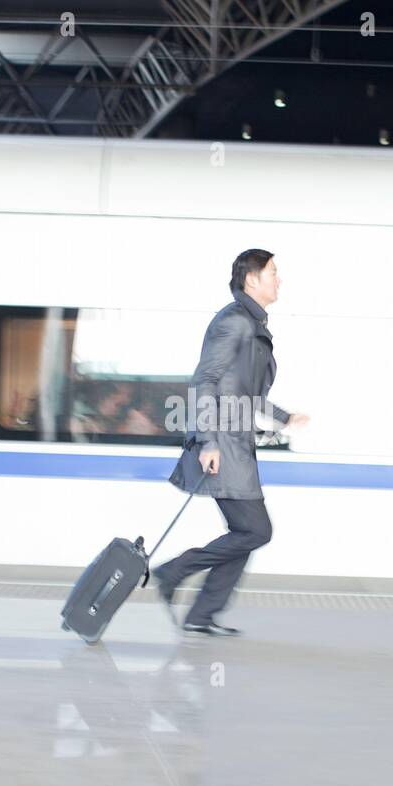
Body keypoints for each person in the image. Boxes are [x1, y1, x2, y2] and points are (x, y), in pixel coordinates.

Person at [154, 249, 309, 636]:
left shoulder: (249, 322)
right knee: (255, 531)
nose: (279, 279)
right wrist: (208, 441)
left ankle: (202, 614)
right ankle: (173, 572)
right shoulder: (234, 321)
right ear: (252, 279)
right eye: (273, 272)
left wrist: (285, 418)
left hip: (235, 443)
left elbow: (247, 393)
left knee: (246, 532)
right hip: (222, 444)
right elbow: (205, 380)